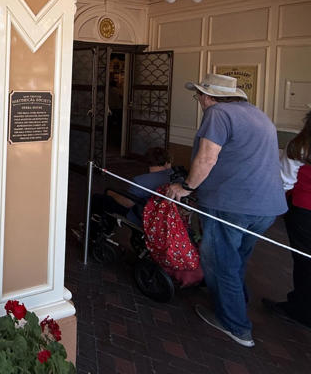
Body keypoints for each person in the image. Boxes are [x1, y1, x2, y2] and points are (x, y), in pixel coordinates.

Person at [167, 73, 287, 347]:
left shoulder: (218, 113)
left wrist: (186, 186)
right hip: (267, 207)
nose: (198, 99)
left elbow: (207, 157)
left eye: (198, 95)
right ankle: (236, 301)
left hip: (232, 204)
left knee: (220, 262)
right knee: (236, 259)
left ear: (209, 96)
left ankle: (235, 325)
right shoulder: (258, 114)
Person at [262, 108, 311, 329]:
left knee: (304, 261)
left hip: (304, 211)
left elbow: (285, 182)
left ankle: (301, 309)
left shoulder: (300, 146)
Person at [89, 147, 174, 232]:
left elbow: (127, 203)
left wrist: (110, 193)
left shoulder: (141, 181)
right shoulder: (176, 179)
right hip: (167, 219)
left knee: (98, 199)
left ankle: (94, 233)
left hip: (142, 216)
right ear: (167, 162)